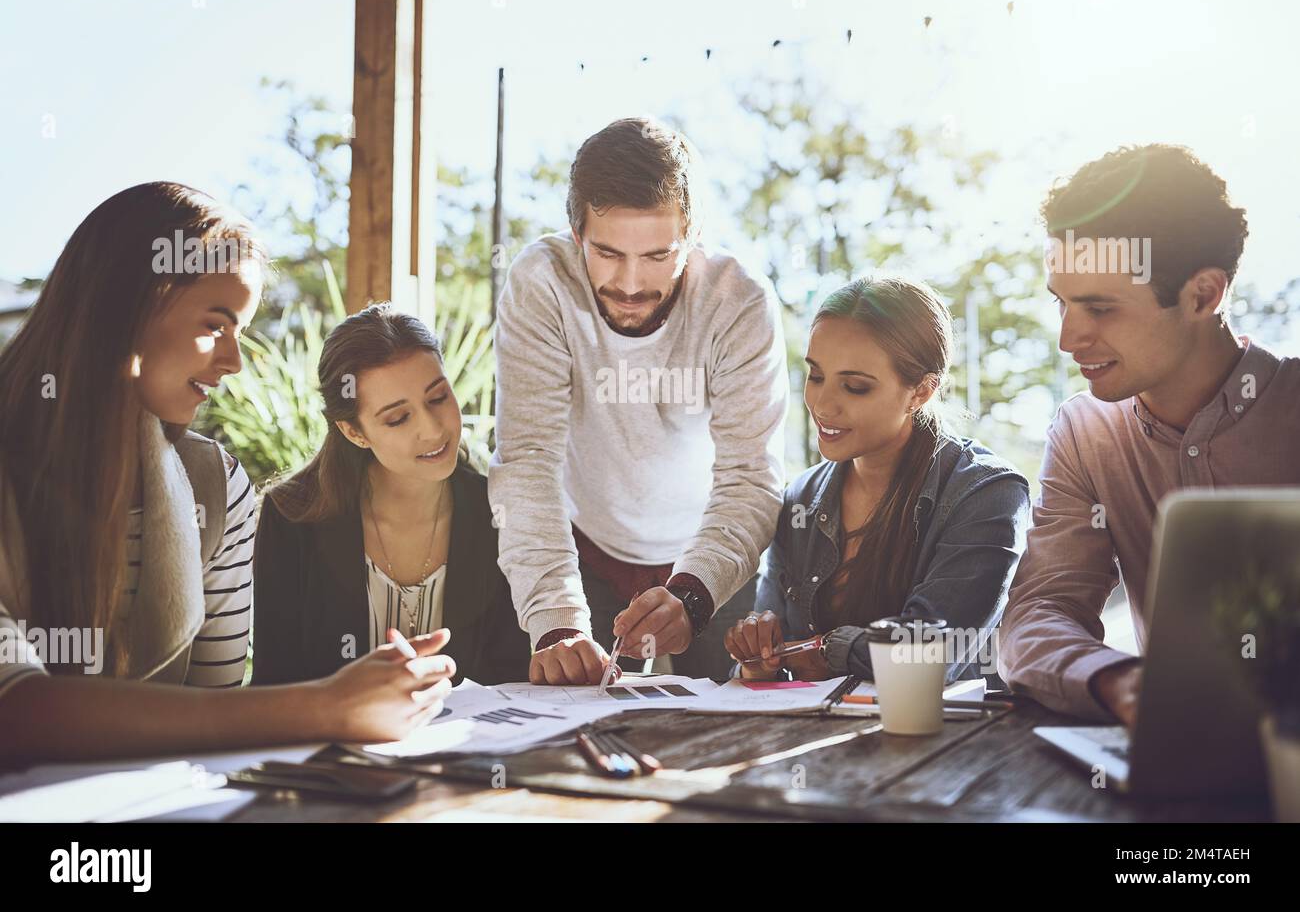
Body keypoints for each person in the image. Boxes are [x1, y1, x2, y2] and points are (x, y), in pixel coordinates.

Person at [0, 182, 454, 761]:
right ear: (126, 306)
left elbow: (214, 713)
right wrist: (326, 705)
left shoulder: (216, 489)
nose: (234, 361)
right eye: (217, 324)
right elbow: (14, 712)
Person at [998, 144, 1300, 724]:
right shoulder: (1086, 432)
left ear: (1203, 295)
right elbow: (1041, 609)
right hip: (1178, 764)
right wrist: (1115, 679)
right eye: (1060, 302)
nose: (1068, 339)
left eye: (1100, 309)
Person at [489, 117, 788, 685]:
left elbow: (751, 477)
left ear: (692, 237)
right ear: (576, 234)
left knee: (730, 732)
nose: (630, 283)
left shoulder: (739, 299)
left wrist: (694, 595)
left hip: (714, 550)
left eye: (657, 256)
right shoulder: (542, 281)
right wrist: (555, 621)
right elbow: (528, 462)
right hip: (582, 549)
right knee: (569, 719)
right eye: (606, 252)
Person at [725, 275, 1030, 682]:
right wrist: (757, 660)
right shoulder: (799, 499)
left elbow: (932, 657)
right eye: (815, 377)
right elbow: (778, 657)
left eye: (855, 387)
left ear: (921, 391)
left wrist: (825, 649)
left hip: (948, 738)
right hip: (819, 735)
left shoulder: (987, 494)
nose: (823, 404)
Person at [252, 304, 529, 687]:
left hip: (472, 744)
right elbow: (273, 685)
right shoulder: (291, 517)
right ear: (354, 432)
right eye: (398, 418)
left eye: (437, 398)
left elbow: (511, 678)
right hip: (331, 743)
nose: (432, 430)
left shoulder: (498, 512)